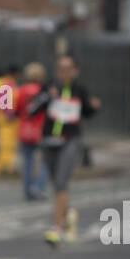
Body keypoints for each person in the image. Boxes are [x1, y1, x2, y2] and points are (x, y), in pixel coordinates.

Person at [26, 53, 101, 246]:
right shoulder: (49, 86)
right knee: (56, 184)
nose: (63, 73)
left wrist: (94, 106)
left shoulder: (79, 89)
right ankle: (68, 216)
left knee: (61, 183)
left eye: (67, 69)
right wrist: (46, 97)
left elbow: (88, 112)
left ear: (75, 71)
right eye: (60, 69)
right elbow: (31, 110)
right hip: (49, 141)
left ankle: (56, 229)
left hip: (70, 141)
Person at [15, 62, 47, 200]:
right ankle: (38, 187)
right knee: (46, 161)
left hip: (24, 129)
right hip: (40, 129)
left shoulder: (20, 91)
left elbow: (15, 110)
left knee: (27, 162)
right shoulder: (43, 91)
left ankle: (28, 190)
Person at [0, 62, 21, 178]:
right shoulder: (6, 84)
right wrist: (9, 115)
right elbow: (3, 103)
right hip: (6, 120)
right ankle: (3, 167)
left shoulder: (10, 84)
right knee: (6, 144)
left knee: (9, 144)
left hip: (10, 119)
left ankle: (6, 166)